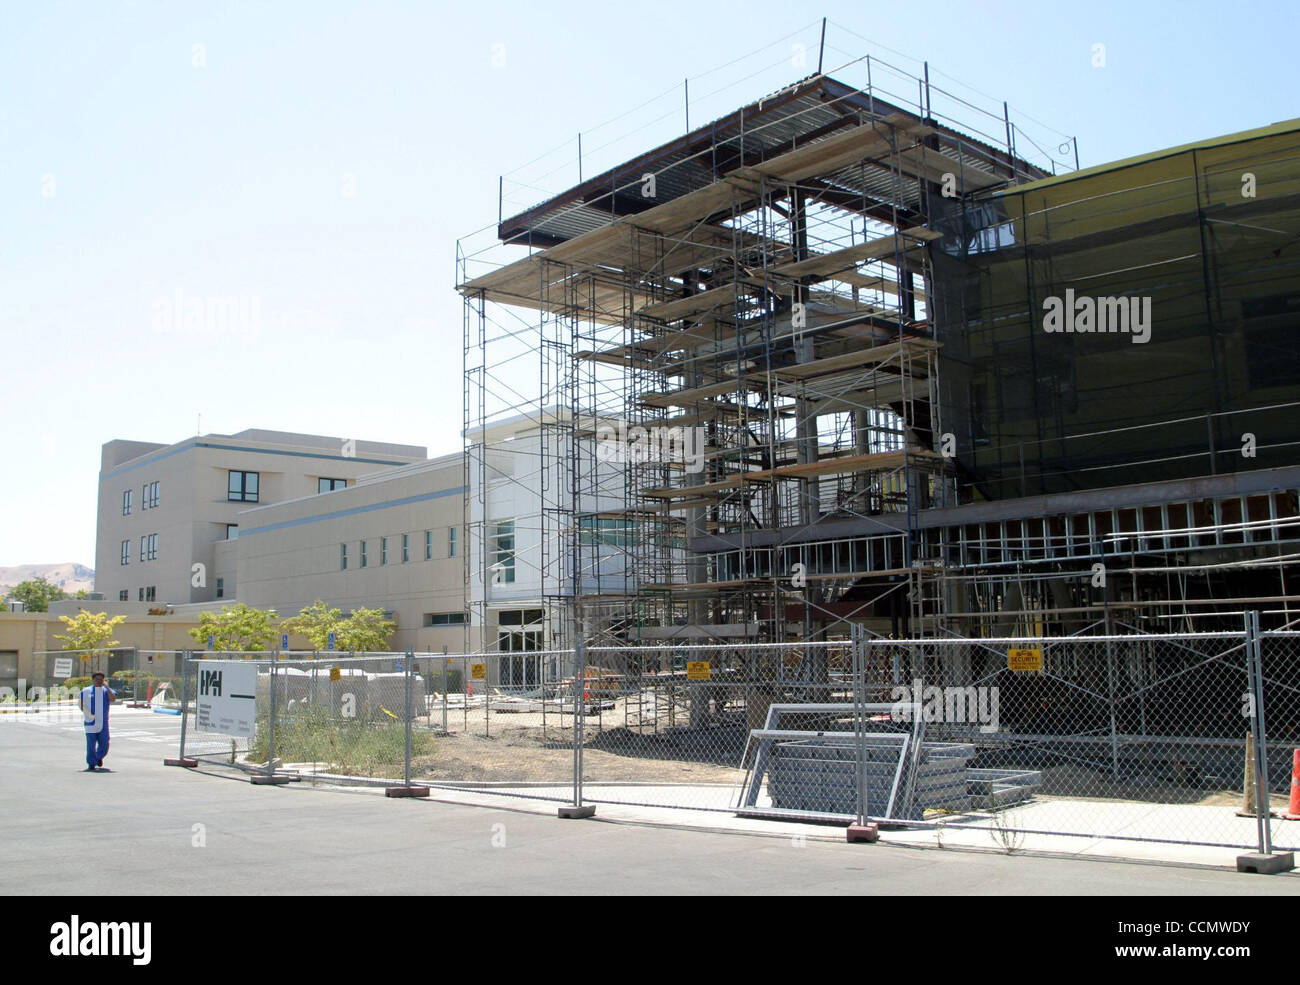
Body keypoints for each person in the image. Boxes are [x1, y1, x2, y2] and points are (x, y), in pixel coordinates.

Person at [78, 672, 115, 771]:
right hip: (90, 722)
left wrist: (107, 688)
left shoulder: (105, 691)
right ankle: (91, 763)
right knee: (91, 744)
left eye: (101, 680)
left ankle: (98, 757)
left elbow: (113, 699)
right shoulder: (86, 691)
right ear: (93, 680)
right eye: (96, 679)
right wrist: (88, 714)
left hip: (103, 722)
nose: (98, 681)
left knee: (104, 743)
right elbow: (80, 703)